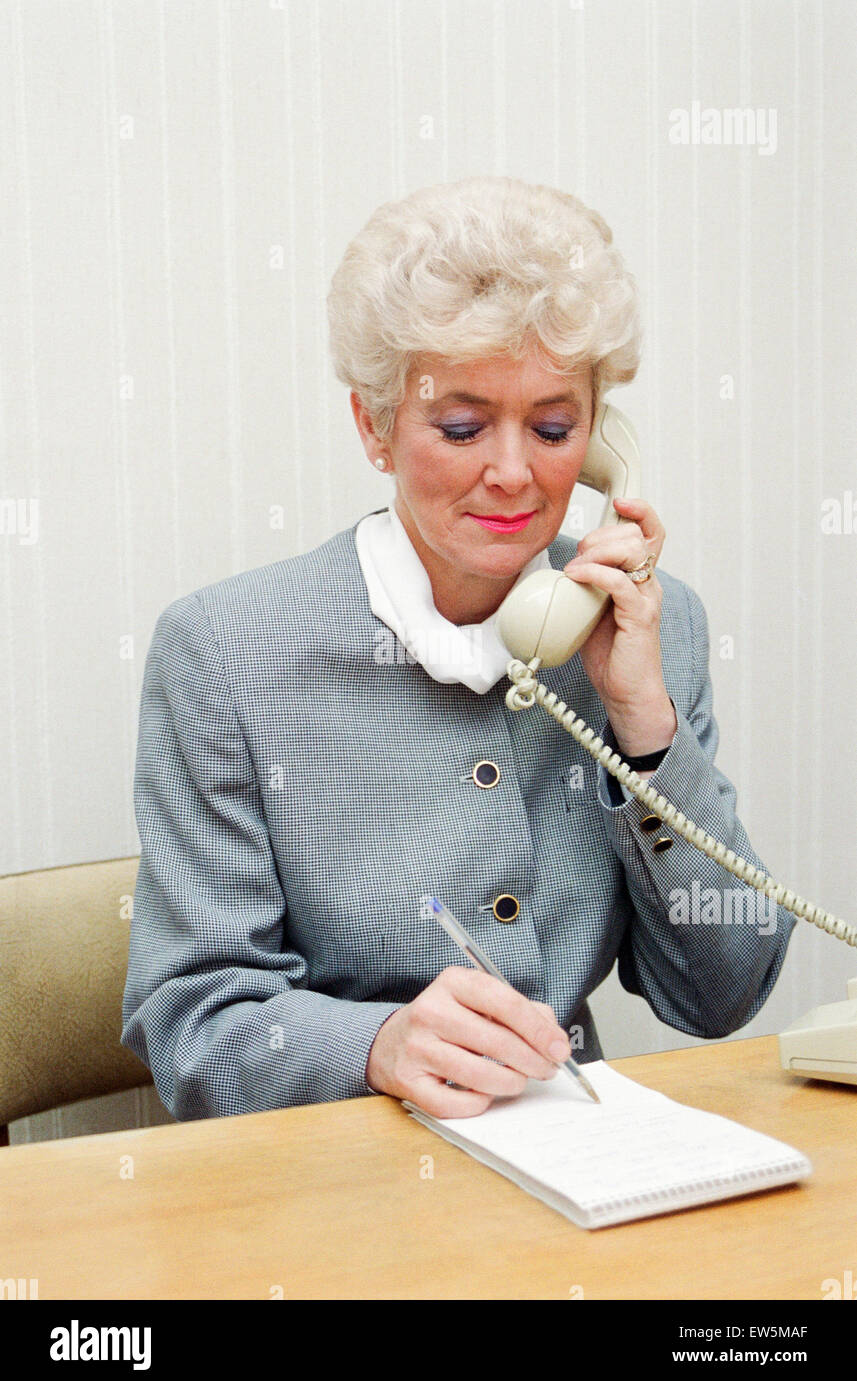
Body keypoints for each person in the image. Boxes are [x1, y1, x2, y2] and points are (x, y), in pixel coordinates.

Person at [122, 175, 795, 1121]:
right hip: (334, 1174)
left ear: (602, 441)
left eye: (555, 427)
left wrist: (643, 726)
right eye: (462, 425)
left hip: (579, 1163)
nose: (515, 474)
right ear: (375, 426)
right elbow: (187, 1021)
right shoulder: (227, 654)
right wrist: (376, 1046)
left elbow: (720, 994)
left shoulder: (651, 623)